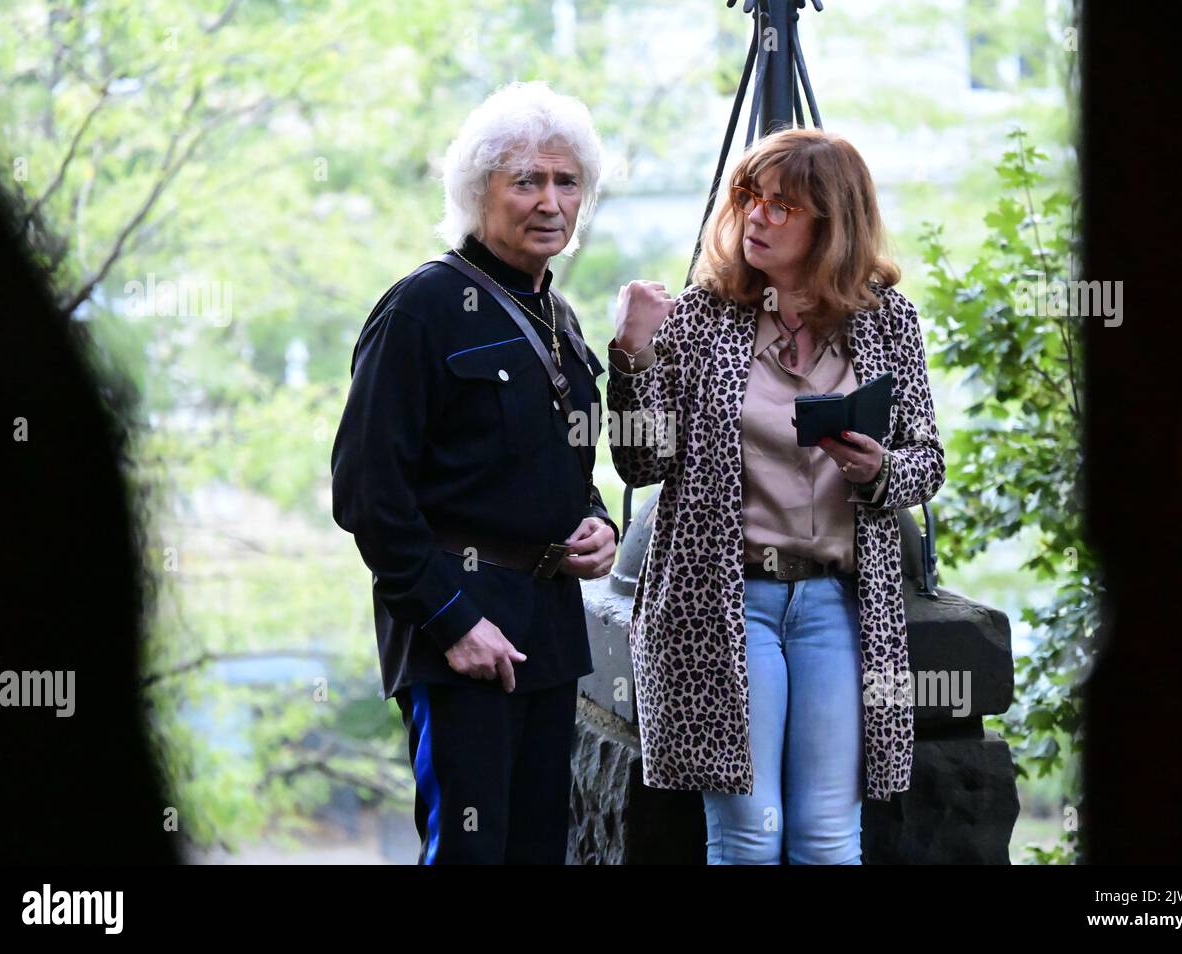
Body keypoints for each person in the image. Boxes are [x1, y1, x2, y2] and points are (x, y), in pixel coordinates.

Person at [608, 128, 946, 864]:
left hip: (839, 607)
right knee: (748, 839)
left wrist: (878, 468)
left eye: (781, 206)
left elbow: (927, 463)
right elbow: (641, 462)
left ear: (831, 219)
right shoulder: (703, 316)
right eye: (749, 198)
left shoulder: (888, 322)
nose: (756, 217)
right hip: (725, 605)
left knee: (827, 840)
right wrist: (632, 355)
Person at [331, 81, 618, 865]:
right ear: (476, 190)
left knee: (533, 855)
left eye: (567, 182)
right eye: (525, 180)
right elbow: (366, 494)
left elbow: (559, 465)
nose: (550, 201)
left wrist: (598, 522)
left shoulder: (558, 318)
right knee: (468, 855)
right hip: (457, 623)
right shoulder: (420, 307)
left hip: (550, 626)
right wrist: (451, 620)